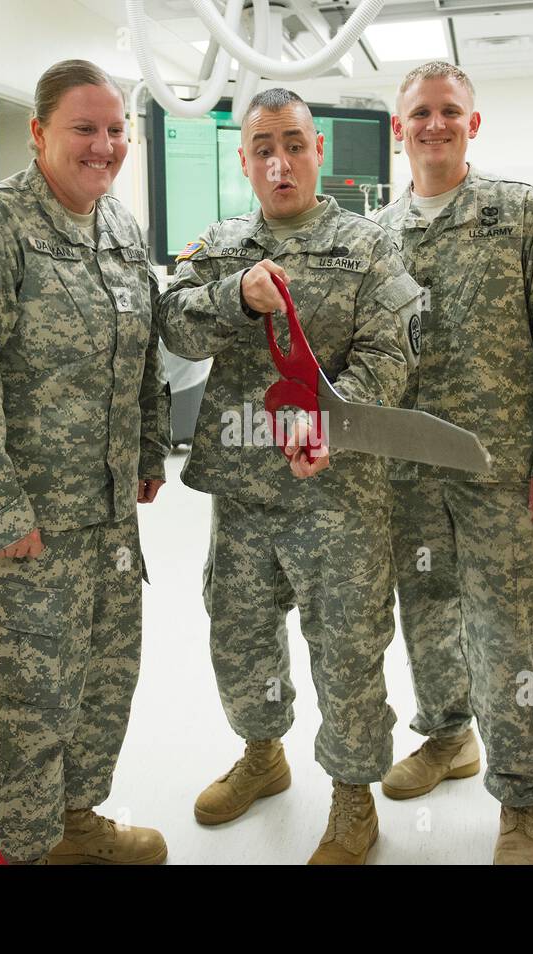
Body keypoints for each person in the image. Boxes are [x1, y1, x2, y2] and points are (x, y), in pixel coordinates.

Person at [0, 59, 171, 865]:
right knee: (34, 707)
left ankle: (75, 826)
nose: (105, 145)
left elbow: (143, 351)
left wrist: (150, 448)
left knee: (103, 687)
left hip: (110, 524)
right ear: (38, 134)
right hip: (27, 533)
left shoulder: (120, 229)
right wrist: (0, 515)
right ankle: (18, 849)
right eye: (84, 129)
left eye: (116, 129)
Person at [158, 88, 421, 865]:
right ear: (243, 161)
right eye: (263, 148)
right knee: (239, 637)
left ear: (320, 153)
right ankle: (263, 757)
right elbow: (172, 322)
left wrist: (334, 422)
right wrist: (233, 295)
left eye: (295, 145)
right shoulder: (222, 244)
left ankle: (351, 799)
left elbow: (393, 354)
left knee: (345, 646)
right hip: (243, 495)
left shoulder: (368, 246)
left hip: (335, 493)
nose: (281, 162)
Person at [373, 61, 533, 864]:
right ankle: (447, 739)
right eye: (418, 114)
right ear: (399, 129)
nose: (432, 125)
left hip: (501, 473)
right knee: (426, 614)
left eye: (448, 112)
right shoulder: (378, 234)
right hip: (408, 473)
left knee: (505, 634)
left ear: (472, 125)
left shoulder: (522, 217)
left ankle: (521, 795)